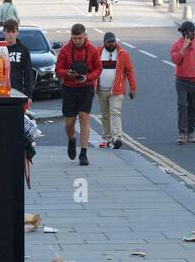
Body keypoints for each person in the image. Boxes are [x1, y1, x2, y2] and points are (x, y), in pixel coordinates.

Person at [55, 24, 101, 167]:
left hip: (86, 88)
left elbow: (98, 68)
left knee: (83, 116)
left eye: (80, 38)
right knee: (69, 122)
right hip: (69, 88)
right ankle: (71, 140)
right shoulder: (65, 50)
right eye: (74, 38)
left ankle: (84, 153)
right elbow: (58, 69)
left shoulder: (92, 50)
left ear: (85, 35)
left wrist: (88, 77)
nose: (77, 41)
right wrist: (67, 73)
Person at [96, 32, 136, 150]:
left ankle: (117, 137)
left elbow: (129, 71)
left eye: (113, 41)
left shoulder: (123, 54)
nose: (111, 44)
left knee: (115, 112)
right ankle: (107, 138)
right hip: (101, 89)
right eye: (109, 42)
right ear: (104, 42)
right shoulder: (98, 52)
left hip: (116, 90)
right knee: (104, 114)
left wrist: (133, 88)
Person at [0, 19, 33, 98]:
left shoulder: (23, 50)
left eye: (13, 32)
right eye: (8, 32)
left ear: (17, 33)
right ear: (3, 32)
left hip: (17, 91)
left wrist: (28, 96)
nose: (11, 35)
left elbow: (28, 74)